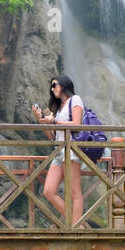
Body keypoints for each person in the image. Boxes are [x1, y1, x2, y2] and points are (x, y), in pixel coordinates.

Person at [32, 75, 85, 225]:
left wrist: (53, 120)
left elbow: (77, 124)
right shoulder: (59, 108)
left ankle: (76, 230)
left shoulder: (75, 100)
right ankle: (77, 225)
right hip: (59, 151)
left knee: (74, 191)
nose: (52, 88)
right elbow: (53, 137)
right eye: (51, 86)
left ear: (64, 84)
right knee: (48, 190)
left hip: (71, 150)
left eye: (54, 85)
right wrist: (41, 120)